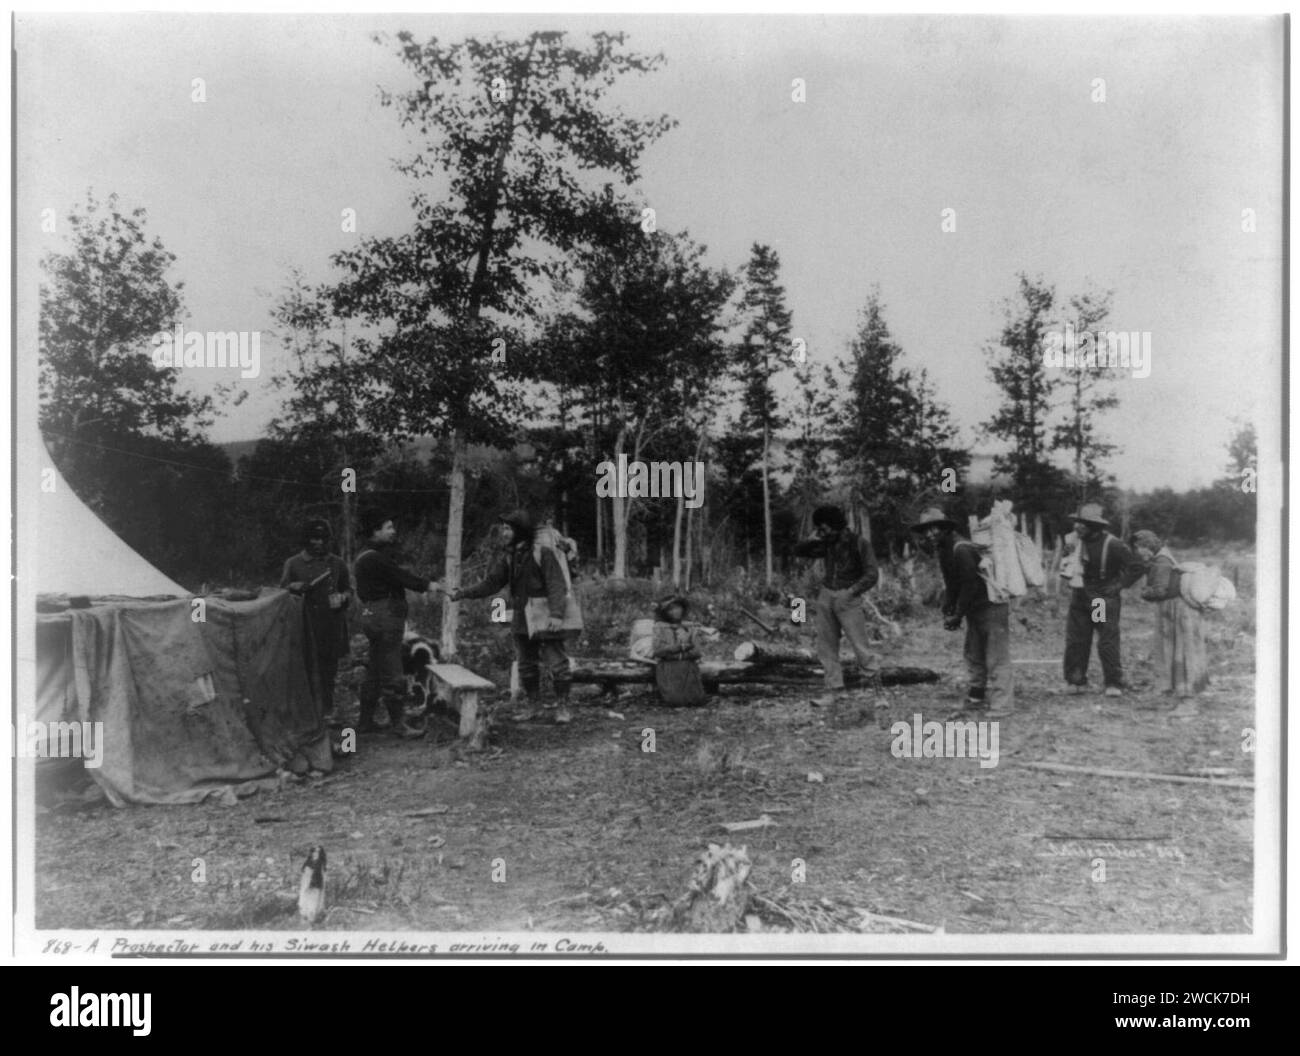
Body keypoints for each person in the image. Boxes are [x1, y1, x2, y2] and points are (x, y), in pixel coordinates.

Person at [453, 509, 575, 724]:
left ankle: (563, 706)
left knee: (557, 664)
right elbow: (491, 583)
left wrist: (556, 615)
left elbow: (557, 584)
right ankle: (533, 705)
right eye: (504, 528)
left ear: (520, 531)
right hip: (521, 617)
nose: (504, 532)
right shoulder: (510, 557)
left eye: (509, 528)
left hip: (545, 614)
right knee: (526, 665)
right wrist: (463, 593)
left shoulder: (542, 553)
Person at [910, 507, 1014, 717]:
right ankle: (976, 696)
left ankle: (1003, 704)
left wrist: (957, 614)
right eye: (926, 531)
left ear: (945, 528)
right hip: (974, 609)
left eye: (935, 529)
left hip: (991, 606)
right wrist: (948, 606)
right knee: (973, 653)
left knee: (996, 656)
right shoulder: (944, 550)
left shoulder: (961, 549)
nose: (930, 534)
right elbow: (952, 583)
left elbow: (969, 585)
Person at [352, 509, 442, 739]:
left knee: (375, 668)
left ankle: (365, 722)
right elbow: (401, 577)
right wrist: (430, 585)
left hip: (373, 614)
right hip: (385, 616)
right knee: (393, 668)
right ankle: (399, 725)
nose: (393, 532)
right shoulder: (374, 558)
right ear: (375, 531)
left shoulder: (366, 556)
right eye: (388, 527)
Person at [791, 505, 879, 703]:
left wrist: (851, 592)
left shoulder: (859, 543)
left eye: (824, 528)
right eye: (819, 529)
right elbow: (799, 551)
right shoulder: (827, 544)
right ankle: (834, 691)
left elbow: (872, 574)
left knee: (861, 647)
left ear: (835, 525)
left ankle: (878, 693)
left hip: (849, 598)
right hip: (826, 596)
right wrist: (812, 539)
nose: (822, 532)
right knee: (826, 646)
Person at [1062, 503, 1147, 698]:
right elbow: (1066, 567)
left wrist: (1119, 585)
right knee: (1077, 640)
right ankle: (1076, 681)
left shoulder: (1113, 544)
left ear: (1094, 526)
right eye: (1076, 523)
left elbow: (1137, 566)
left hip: (1099, 599)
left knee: (1106, 640)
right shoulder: (1075, 541)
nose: (1076, 527)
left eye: (1082, 524)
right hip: (1079, 595)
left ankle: (1112, 683)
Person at [280, 518, 352, 725]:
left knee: (328, 671)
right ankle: (307, 714)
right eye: (314, 538)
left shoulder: (337, 563)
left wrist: (343, 597)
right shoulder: (293, 563)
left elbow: (348, 588)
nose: (319, 543)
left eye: (323, 539)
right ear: (306, 540)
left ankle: (326, 712)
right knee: (305, 669)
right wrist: (293, 586)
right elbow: (280, 593)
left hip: (331, 626)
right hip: (304, 626)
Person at [1132, 529, 1209, 699]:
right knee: (1172, 647)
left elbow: (1159, 590)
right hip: (1172, 608)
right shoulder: (1161, 558)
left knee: (1178, 647)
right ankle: (1172, 685)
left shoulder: (1162, 561)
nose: (1138, 552)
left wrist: (1143, 592)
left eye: (1139, 547)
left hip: (1176, 609)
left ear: (1147, 546)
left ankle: (1184, 690)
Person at [651, 595, 706, 707]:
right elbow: (658, 651)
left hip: (688, 666)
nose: (675, 612)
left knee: (695, 699)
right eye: (670, 609)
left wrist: (678, 653)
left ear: (682, 609)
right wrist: (678, 648)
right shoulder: (659, 628)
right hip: (668, 668)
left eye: (677, 608)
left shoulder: (690, 628)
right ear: (665, 612)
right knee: (674, 700)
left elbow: (697, 651)